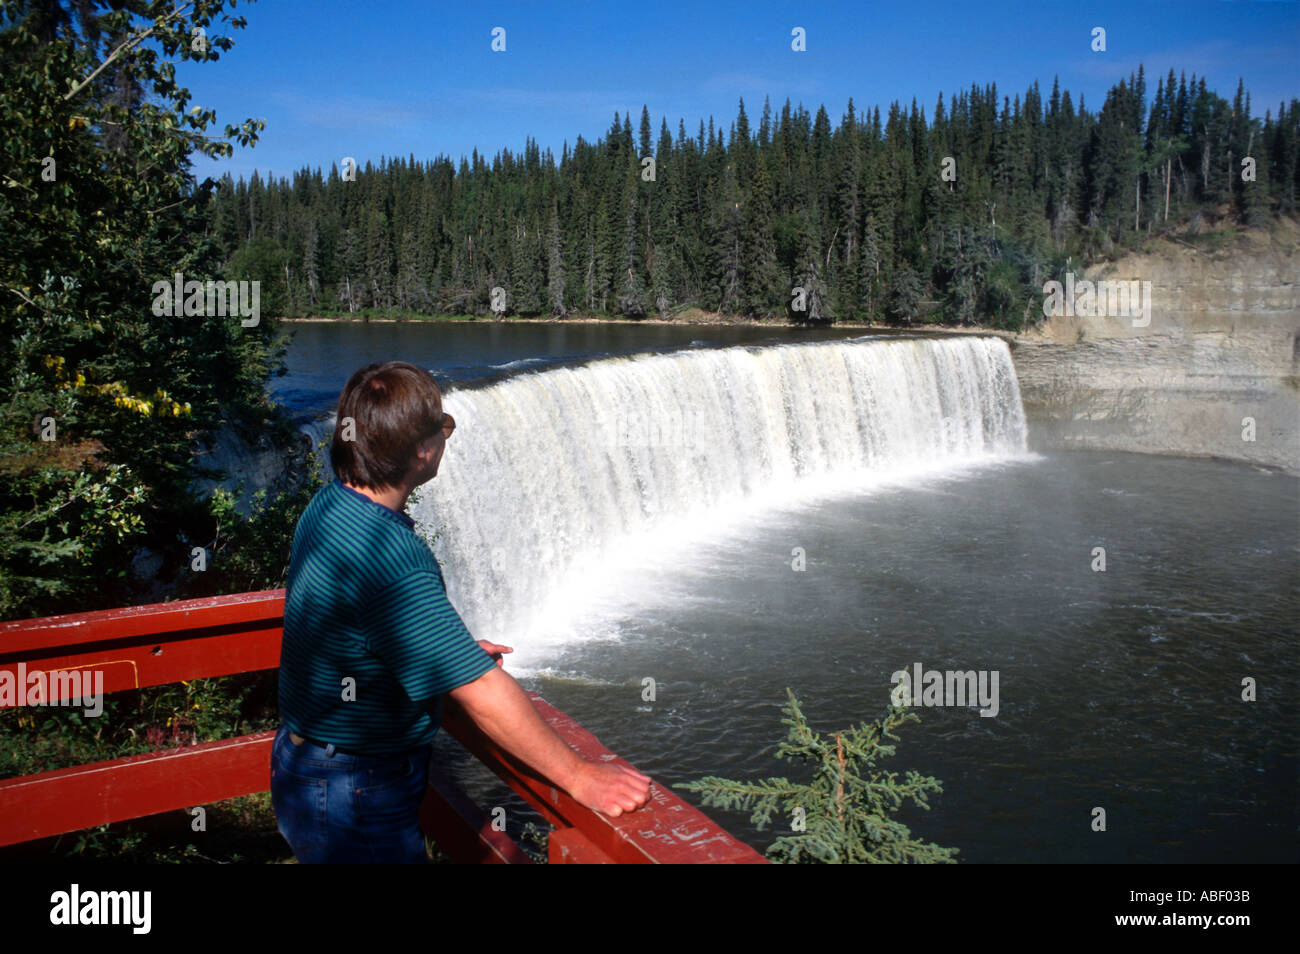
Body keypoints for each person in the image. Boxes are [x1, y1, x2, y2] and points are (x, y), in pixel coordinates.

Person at [271, 360, 651, 863]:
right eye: (443, 427)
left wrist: (443, 649)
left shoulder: (328, 505)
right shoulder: (390, 553)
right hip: (354, 791)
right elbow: (481, 690)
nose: (447, 436)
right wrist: (580, 775)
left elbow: (360, 622)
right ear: (422, 450)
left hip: (303, 765)